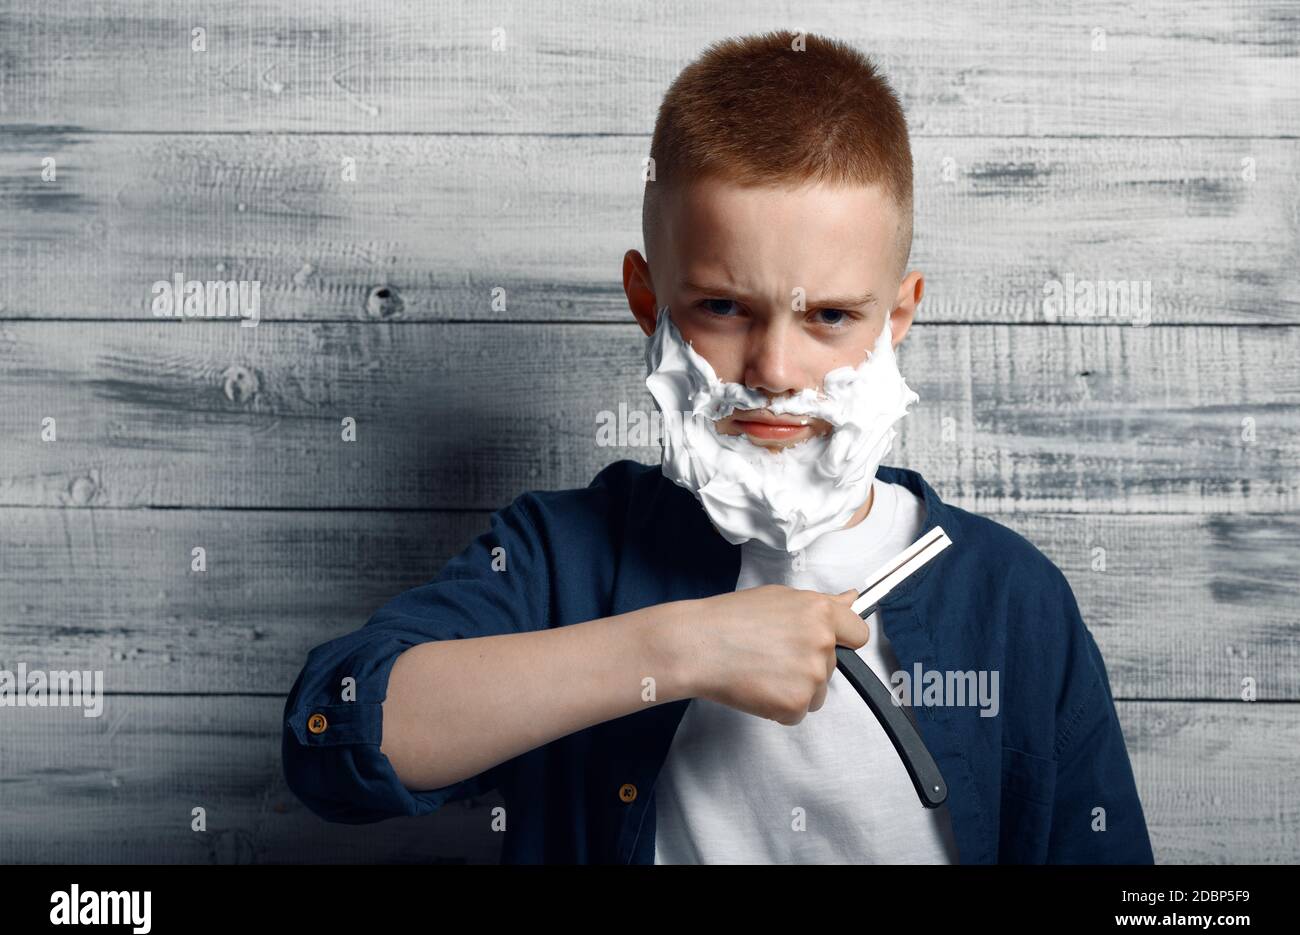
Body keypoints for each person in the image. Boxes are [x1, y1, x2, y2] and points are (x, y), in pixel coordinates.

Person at [281, 30, 1154, 865]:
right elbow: (332, 735)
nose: (775, 370)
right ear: (646, 299)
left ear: (896, 319)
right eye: (724, 308)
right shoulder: (562, 559)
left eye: (831, 316)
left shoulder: (1012, 601)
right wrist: (678, 651)